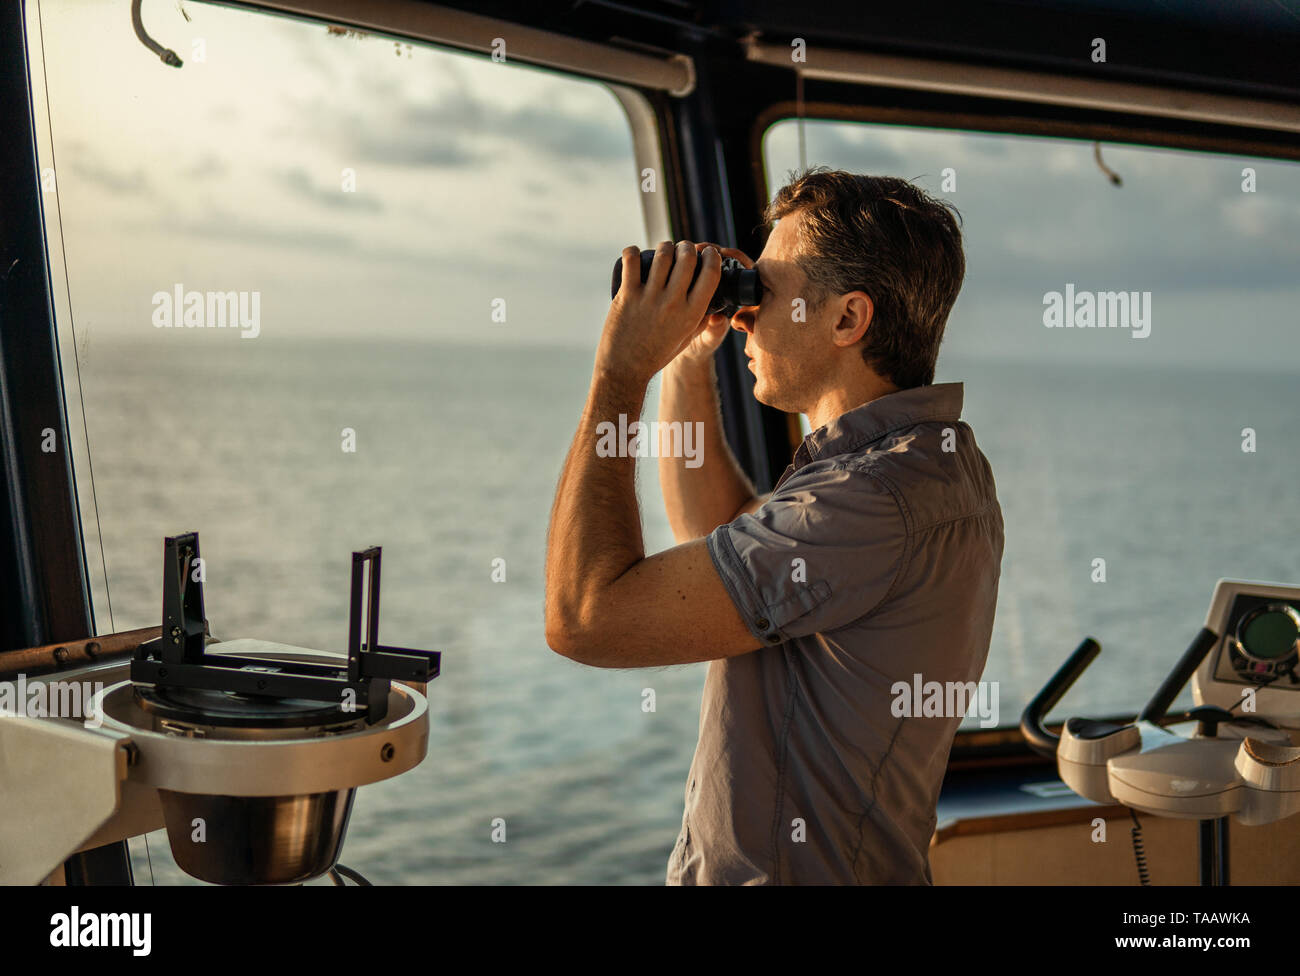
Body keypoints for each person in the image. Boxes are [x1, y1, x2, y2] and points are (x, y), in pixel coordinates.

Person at [544, 166, 1004, 884]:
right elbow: (722, 531)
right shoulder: (923, 464)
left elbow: (584, 617)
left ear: (849, 319)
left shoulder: (869, 497)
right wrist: (689, 361)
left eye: (768, 290)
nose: (747, 313)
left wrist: (617, 374)